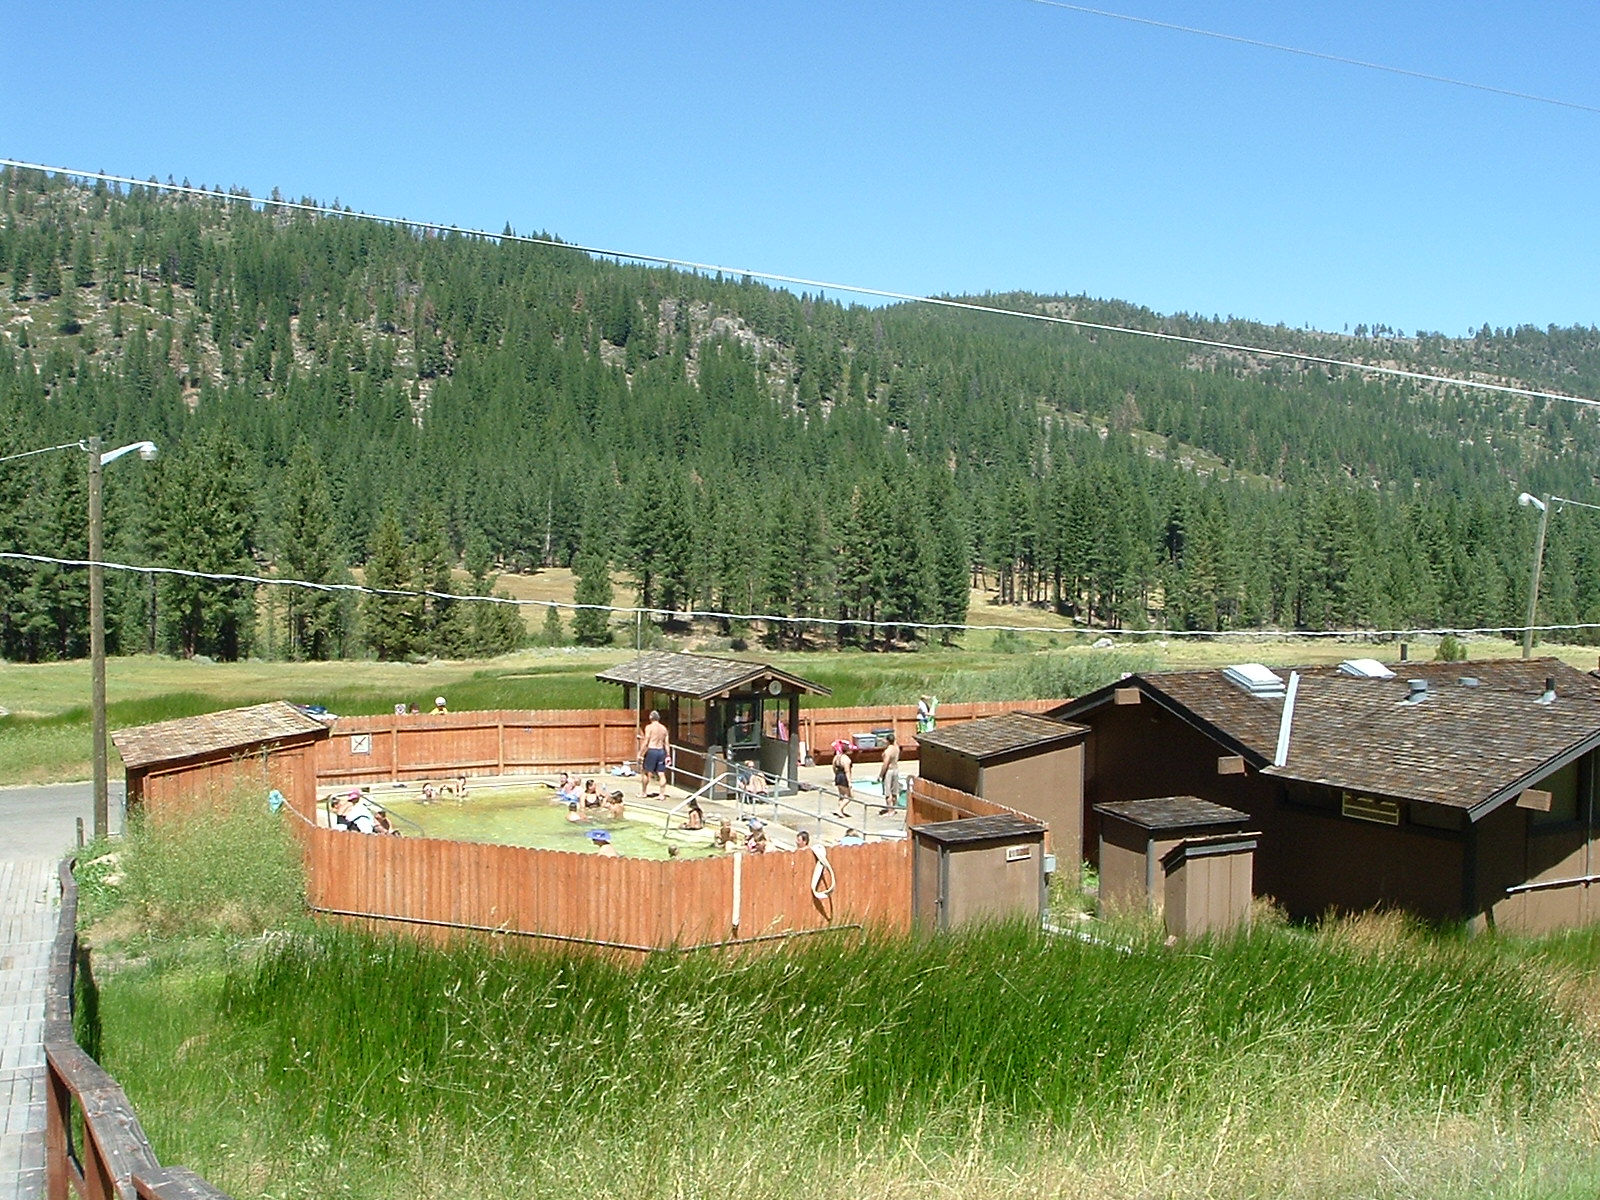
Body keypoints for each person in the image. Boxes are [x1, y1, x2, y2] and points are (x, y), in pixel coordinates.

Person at [639, 709, 671, 799]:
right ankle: (662, 794)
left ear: (650, 717)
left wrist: (640, 753)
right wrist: (668, 755)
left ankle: (644, 793)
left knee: (645, 772)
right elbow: (667, 743)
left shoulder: (649, 727)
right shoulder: (664, 728)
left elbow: (646, 741)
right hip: (661, 751)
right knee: (661, 773)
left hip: (652, 750)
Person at [877, 733, 901, 815]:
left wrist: (880, 775)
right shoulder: (896, 748)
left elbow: (885, 764)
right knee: (894, 791)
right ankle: (893, 809)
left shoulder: (887, 752)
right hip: (896, 769)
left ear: (887, 741)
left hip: (889, 771)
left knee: (888, 792)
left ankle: (890, 811)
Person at [832, 744, 854, 819]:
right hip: (844, 777)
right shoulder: (847, 760)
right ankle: (839, 809)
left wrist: (836, 775)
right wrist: (849, 782)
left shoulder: (837, 757)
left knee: (841, 795)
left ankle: (841, 811)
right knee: (849, 796)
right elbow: (847, 771)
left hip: (838, 775)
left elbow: (833, 767)